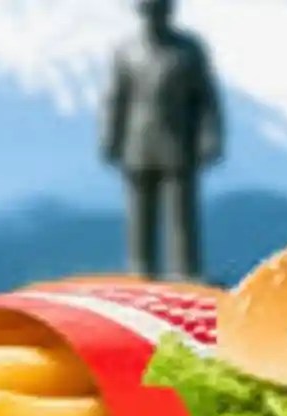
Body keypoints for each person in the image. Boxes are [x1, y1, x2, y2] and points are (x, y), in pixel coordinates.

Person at [101, 0, 224, 281]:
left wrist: (210, 136)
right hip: (137, 142)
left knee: (181, 213)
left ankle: (186, 270)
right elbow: (116, 99)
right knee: (139, 214)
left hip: (179, 142)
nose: (154, 15)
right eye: (149, 9)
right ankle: (140, 270)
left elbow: (206, 98)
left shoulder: (188, 50)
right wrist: (110, 136)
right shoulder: (126, 53)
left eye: (159, 9)